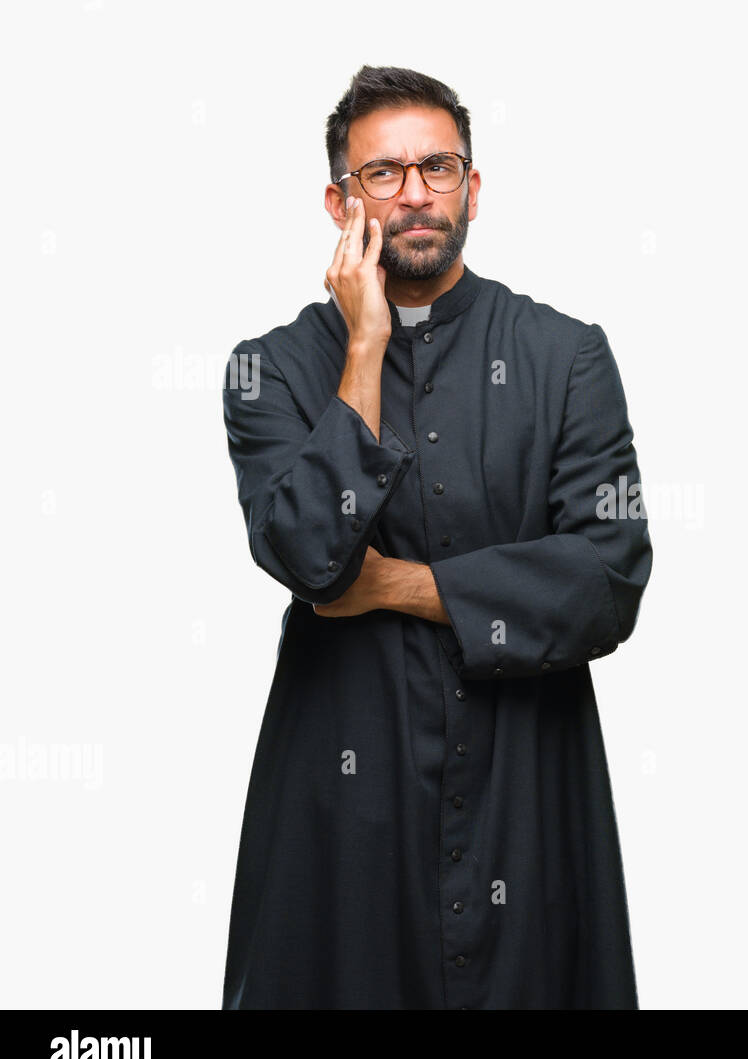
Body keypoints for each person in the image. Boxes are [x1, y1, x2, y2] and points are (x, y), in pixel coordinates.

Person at [219, 65, 652, 1009]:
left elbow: (607, 579)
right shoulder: (271, 371)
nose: (415, 193)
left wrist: (404, 587)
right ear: (340, 200)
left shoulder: (566, 356)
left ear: (474, 187)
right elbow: (305, 554)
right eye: (383, 175)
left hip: (527, 794)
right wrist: (365, 347)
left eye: (439, 167)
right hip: (345, 801)